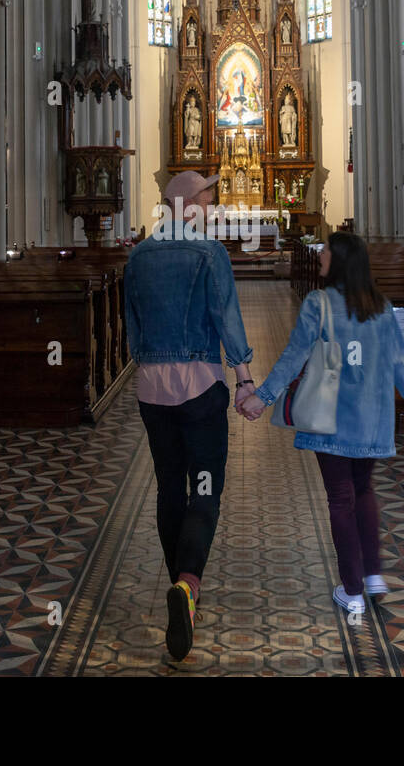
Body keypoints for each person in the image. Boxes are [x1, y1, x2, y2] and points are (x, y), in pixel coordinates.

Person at [239, 232, 404, 615]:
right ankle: (372, 574)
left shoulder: (320, 303)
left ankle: (352, 590)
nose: (320, 257)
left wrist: (261, 398)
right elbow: (399, 366)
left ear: (341, 259)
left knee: (340, 499)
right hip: (372, 421)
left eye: (326, 251)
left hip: (331, 420)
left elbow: (294, 357)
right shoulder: (381, 306)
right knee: (362, 491)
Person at [124, 170, 256, 661]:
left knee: (167, 487)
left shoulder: (138, 256)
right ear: (187, 206)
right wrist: (245, 381)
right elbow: (227, 318)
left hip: (152, 390)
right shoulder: (209, 254)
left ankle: (180, 586)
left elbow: (131, 327)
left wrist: (149, 358)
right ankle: (186, 587)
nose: (213, 206)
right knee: (204, 488)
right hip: (201, 387)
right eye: (207, 199)